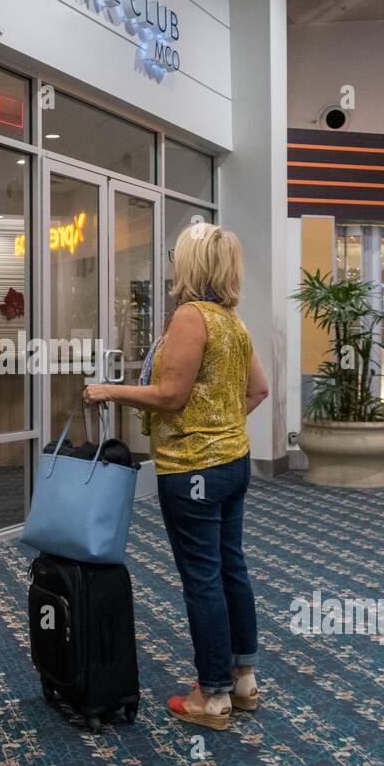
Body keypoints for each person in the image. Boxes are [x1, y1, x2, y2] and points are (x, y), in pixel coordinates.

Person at [83, 223, 268, 731]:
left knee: (202, 578)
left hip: (193, 471)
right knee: (232, 568)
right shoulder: (234, 323)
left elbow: (169, 395)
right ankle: (243, 679)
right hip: (234, 463)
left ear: (191, 266)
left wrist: (108, 391)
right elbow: (259, 391)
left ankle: (212, 696)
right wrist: (223, 428)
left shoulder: (191, 317)